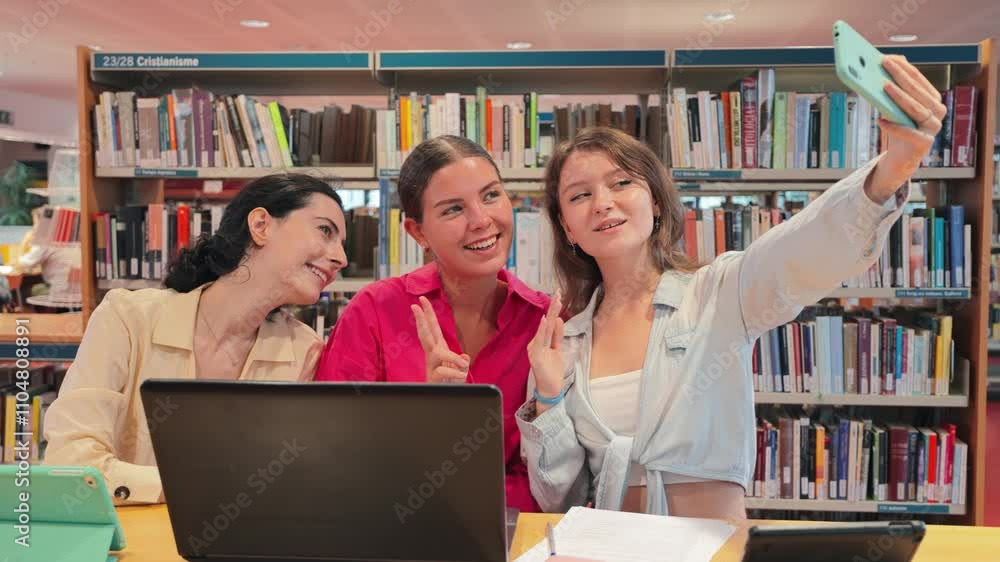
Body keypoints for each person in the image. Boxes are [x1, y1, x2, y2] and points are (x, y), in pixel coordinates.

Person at [517, 55, 946, 519]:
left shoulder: (717, 294)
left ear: (656, 203)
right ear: (568, 228)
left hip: (712, 547)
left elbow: (802, 247)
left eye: (621, 182)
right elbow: (558, 495)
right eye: (580, 195)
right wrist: (548, 397)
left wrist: (894, 167)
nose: (602, 203)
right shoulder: (565, 344)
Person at [43, 173, 348, 505]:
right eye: (325, 231)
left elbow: (286, 488)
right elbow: (70, 466)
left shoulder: (304, 349)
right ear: (261, 225)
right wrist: (198, 488)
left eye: (342, 242)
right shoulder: (127, 319)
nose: (341, 258)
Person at [315, 135, 549, 512]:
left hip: (513, 535)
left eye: (490, 195)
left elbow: (552, 478)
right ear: (417, 232)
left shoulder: (545, 320)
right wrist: (425, 418)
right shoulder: (374, 311)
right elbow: (332, 453)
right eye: (453, 209)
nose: (481, 221)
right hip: (391, 533)